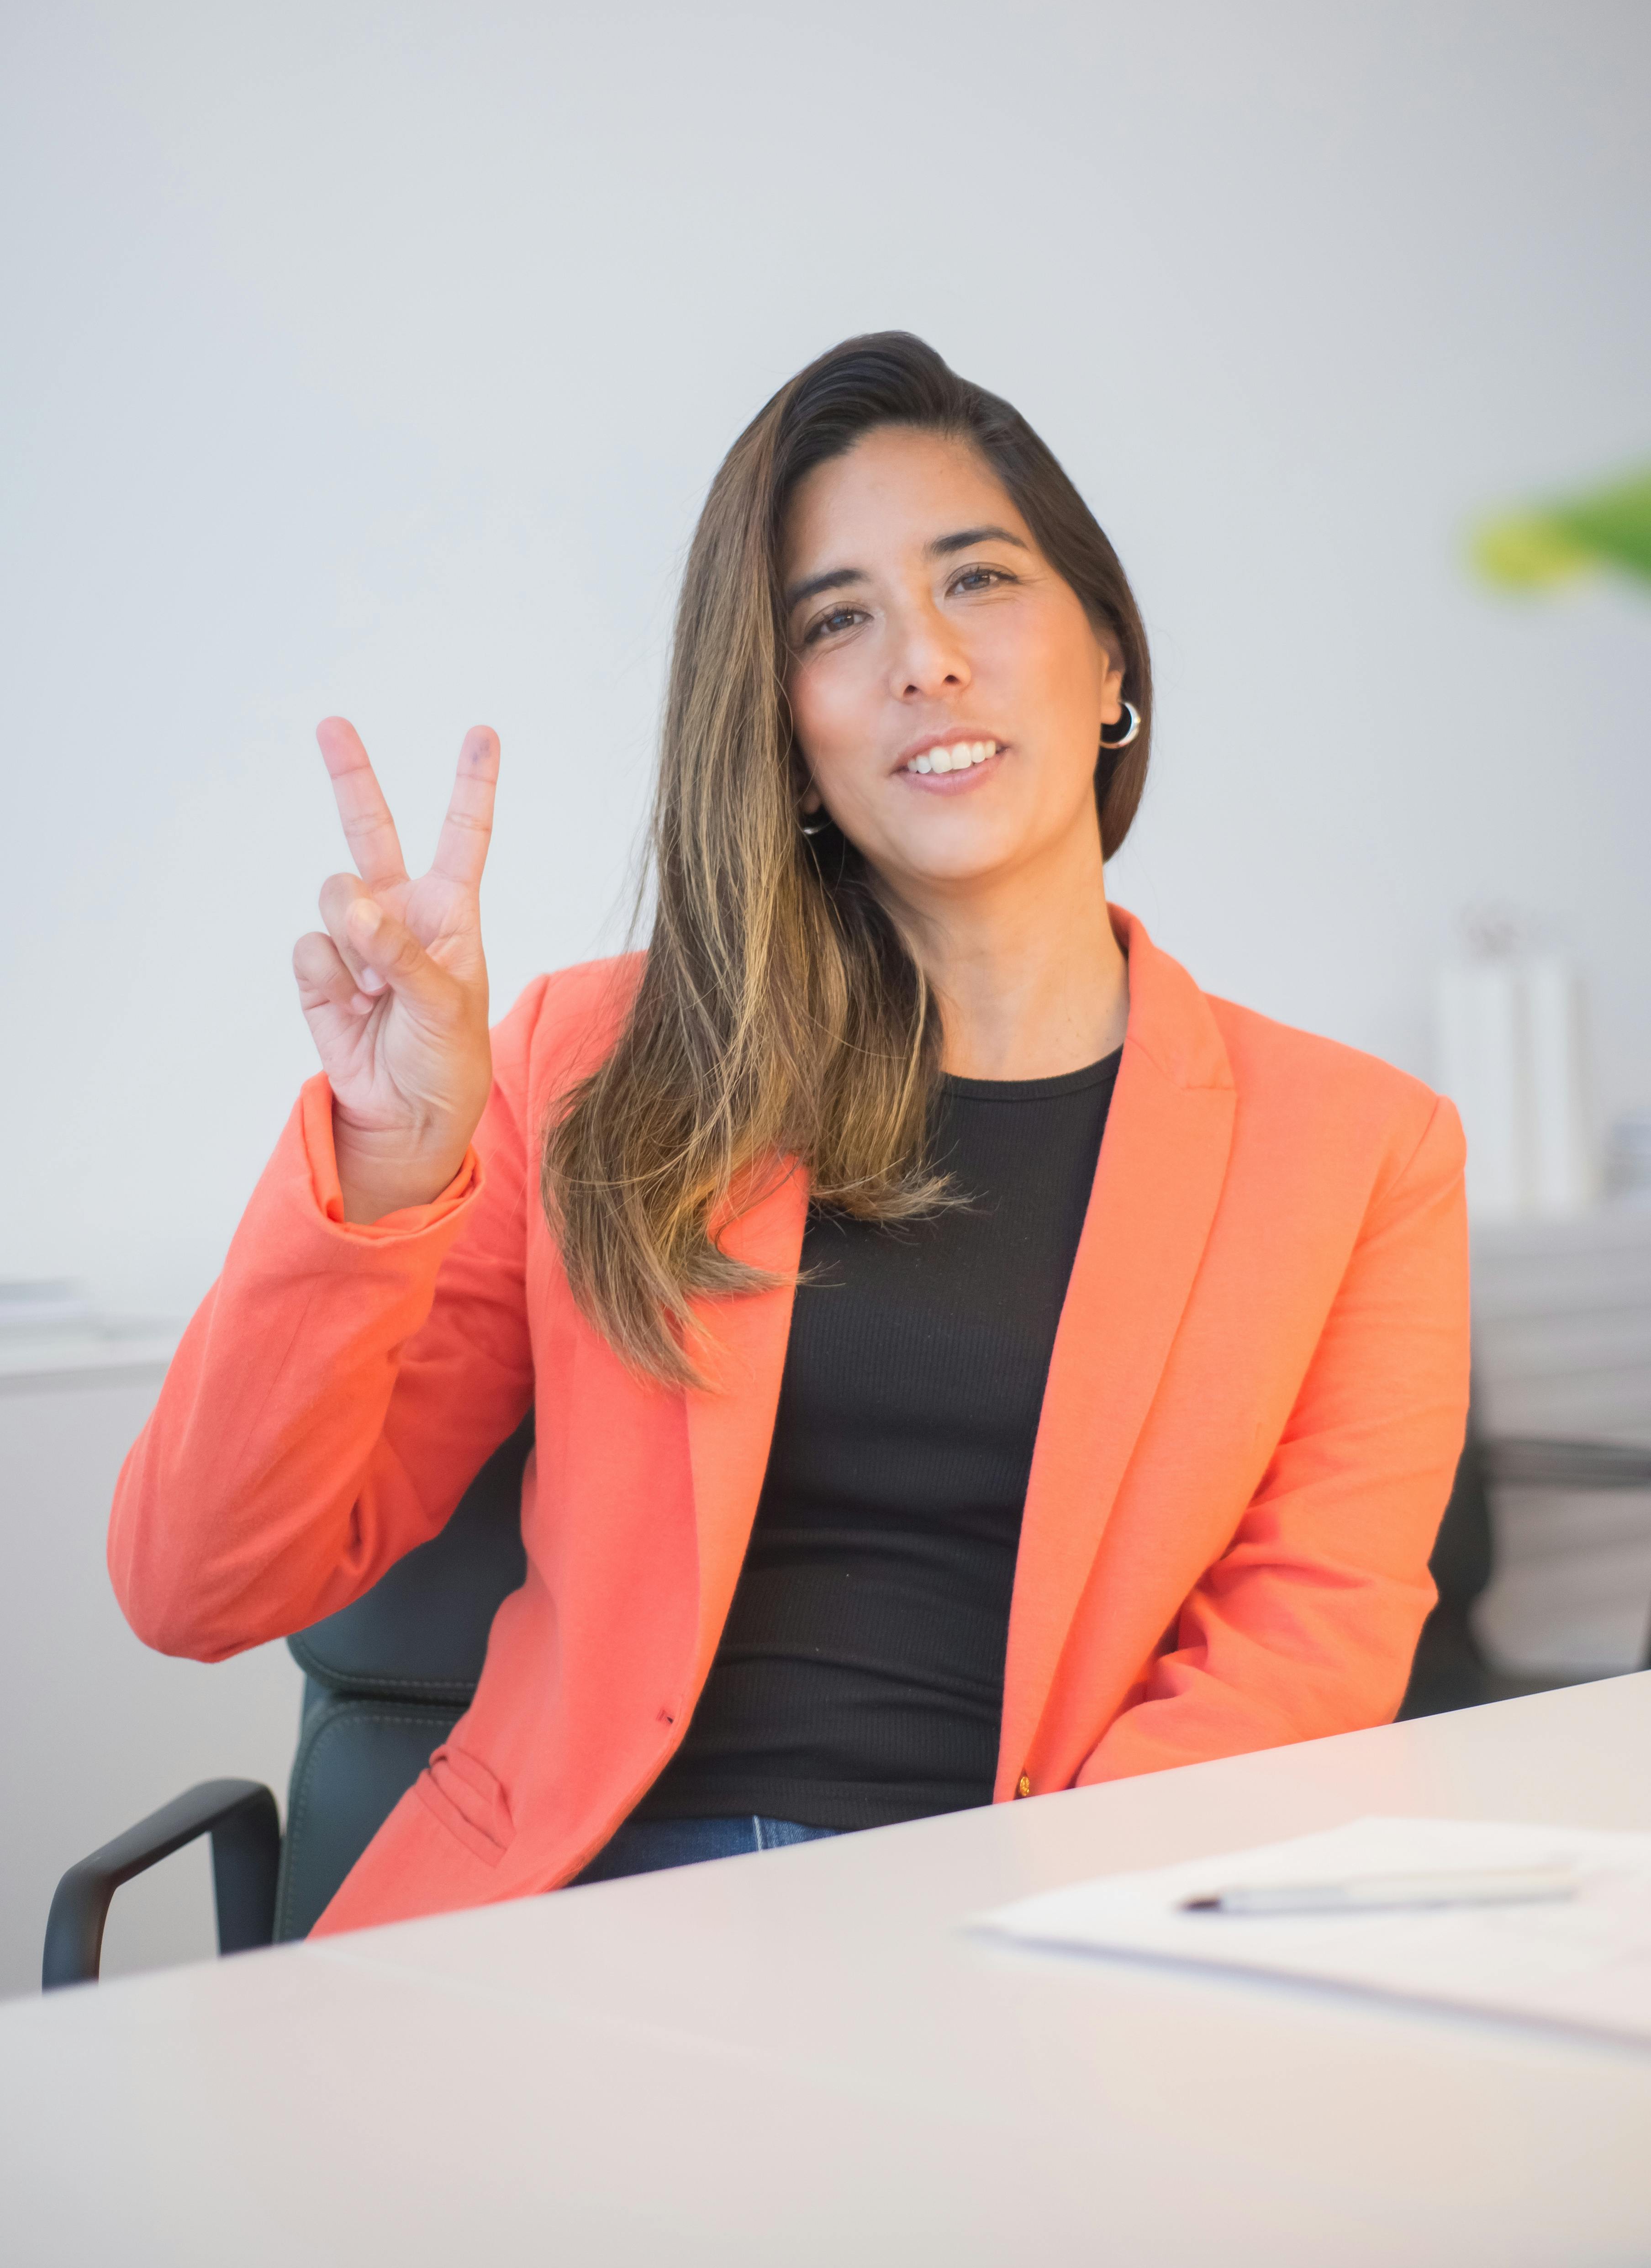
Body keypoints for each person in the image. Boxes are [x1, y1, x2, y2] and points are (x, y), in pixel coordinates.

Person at [109, 332, 1470, 1935]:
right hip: (575, 1925)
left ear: (1112, 663)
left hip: (1023, 1943)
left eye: (979, 582)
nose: (924, 659)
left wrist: (1018, 1955)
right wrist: (390, 1150)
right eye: (839, 619)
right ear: (793, 739)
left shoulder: (1361, 1151)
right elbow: (201, 1584)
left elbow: (1299, 1655)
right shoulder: (589, 1064)